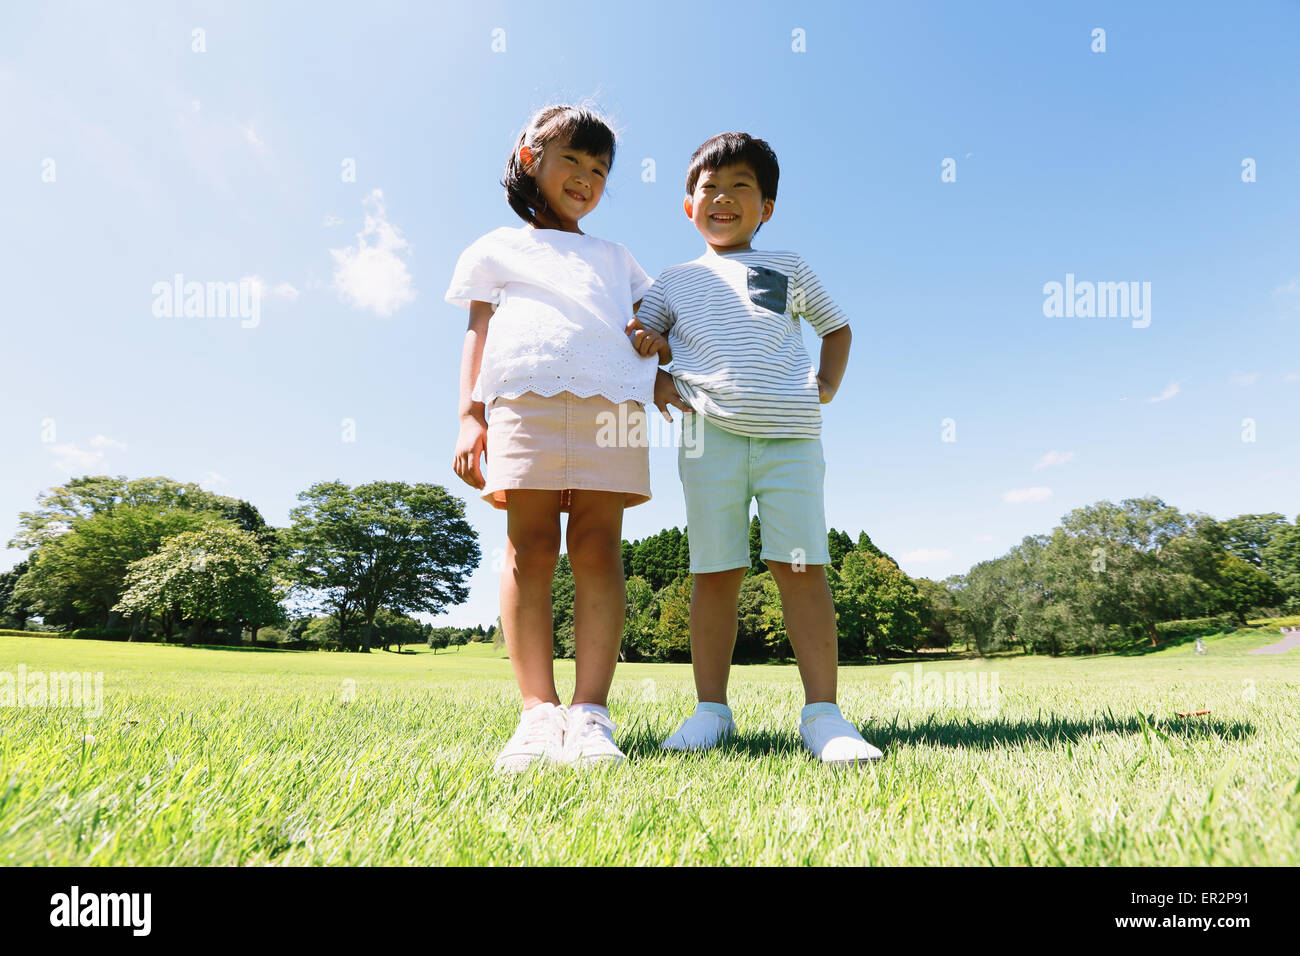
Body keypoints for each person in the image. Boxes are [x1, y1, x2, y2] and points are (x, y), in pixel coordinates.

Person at [630, 132, 884, 765]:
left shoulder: (787, 266)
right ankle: (711, 711)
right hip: (704, 434)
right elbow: (638, 338)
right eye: (708, 188)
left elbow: (838, 325)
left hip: (791, 438)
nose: (723, 197)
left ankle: (824, 715)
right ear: (688, 205)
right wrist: (657, 374)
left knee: (800, 568)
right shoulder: (672, 280)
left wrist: (827, 383)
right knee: (714, 571)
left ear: (766, 206)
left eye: (741, 186)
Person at [445, 104, 670, 773]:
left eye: (599, 168)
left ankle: (591, 713)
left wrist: (652, 347)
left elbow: (647, 321)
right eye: (571, 159)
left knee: (599, 546)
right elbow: (478, 333)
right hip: (523, 401)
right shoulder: (495, 248)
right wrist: (470, 415)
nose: (586, 176)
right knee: (531, 545)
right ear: (528, 158)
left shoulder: (615, 255)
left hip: (614, 402)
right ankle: (538, 714)